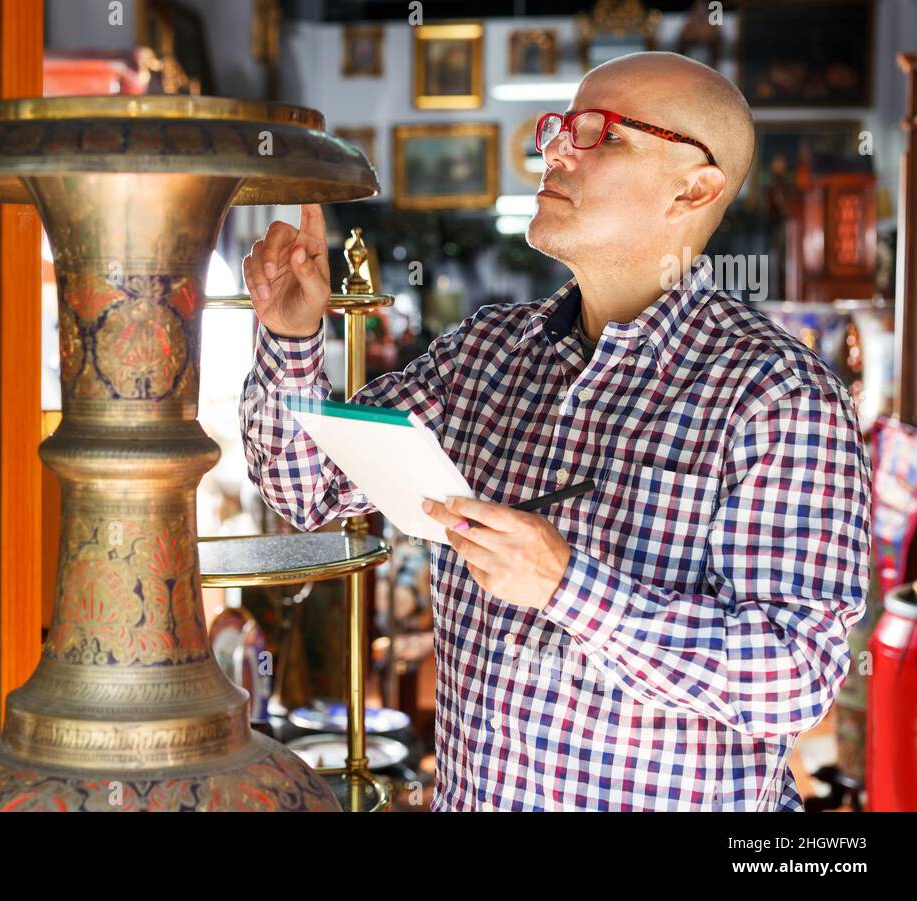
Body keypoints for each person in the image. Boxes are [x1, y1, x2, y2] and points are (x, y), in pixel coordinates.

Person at [238, 51, 872, 811]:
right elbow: (305, 488)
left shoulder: (777, 396)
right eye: (560, 128)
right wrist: (291, 337)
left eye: (601, 135)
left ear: (694, 187)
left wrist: (569, 588)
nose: (556, 148)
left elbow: (792, 680)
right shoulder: (488, 352)